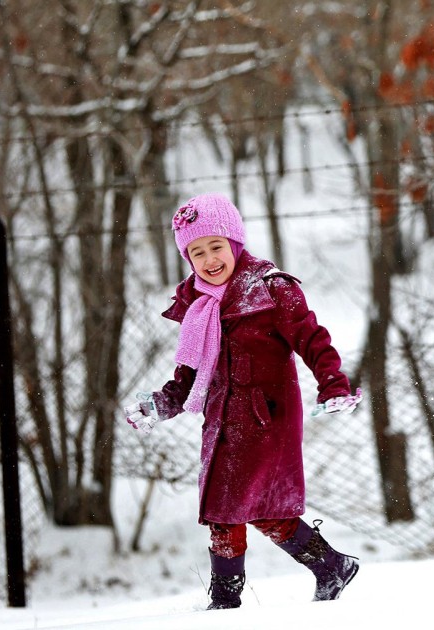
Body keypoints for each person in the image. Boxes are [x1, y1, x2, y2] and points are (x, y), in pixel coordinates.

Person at [122, 193, 364, 608]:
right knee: (232, 511)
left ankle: (227, 601)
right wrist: (159, 405)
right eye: (196, 252)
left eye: (215, 246)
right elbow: (189, 377)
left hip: (267, 419)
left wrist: (333, 384)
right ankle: (327, 566)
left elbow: (312, 340)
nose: (209, 259)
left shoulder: (272, 290)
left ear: (234, 243)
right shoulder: (199, 306)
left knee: (239, 508)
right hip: (221, 423)